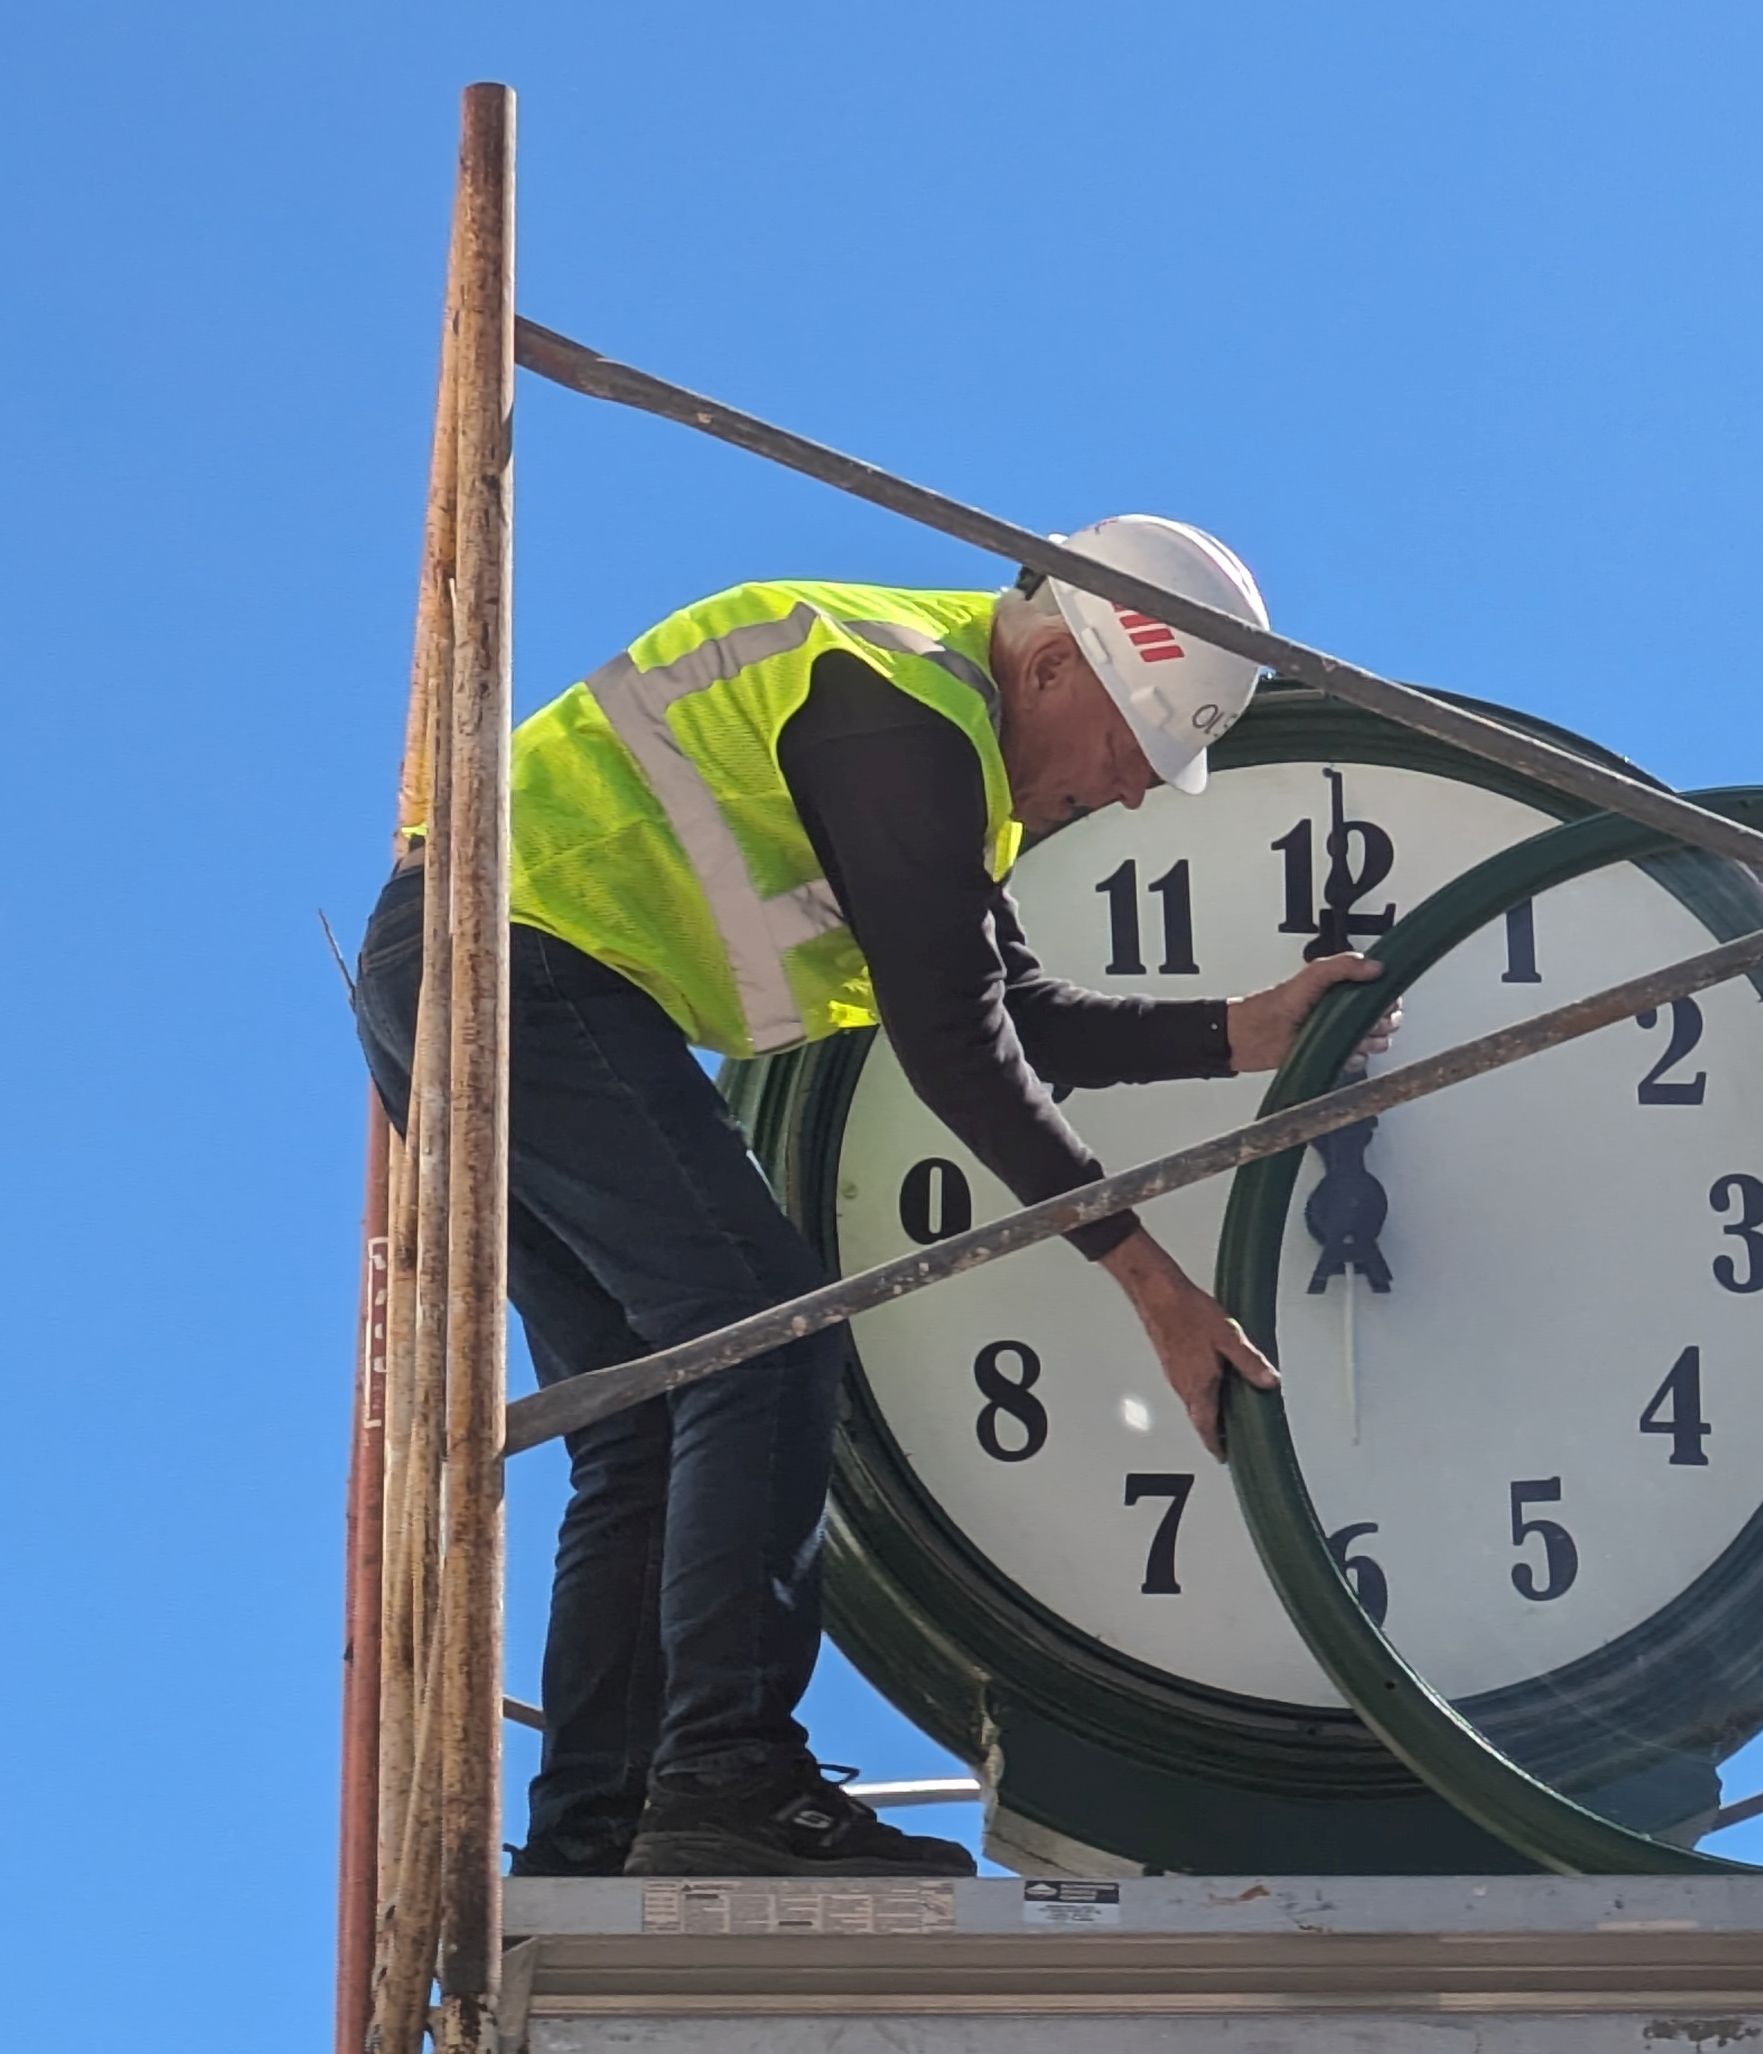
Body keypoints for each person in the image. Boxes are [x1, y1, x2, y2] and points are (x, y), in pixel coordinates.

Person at [355, 515, 1371, 1879]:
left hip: (469, 974)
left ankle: (595, 1833)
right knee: (765, 1328)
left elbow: (1012, 1013)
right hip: (520, 968)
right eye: (1134, 750)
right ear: (1058, 668)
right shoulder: (897, 710)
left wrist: (1235, 1033)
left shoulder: (922, 722)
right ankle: (728, 1779)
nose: (1130, 793)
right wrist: (1151, 1282)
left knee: (648, 1417)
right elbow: (956, 1044)